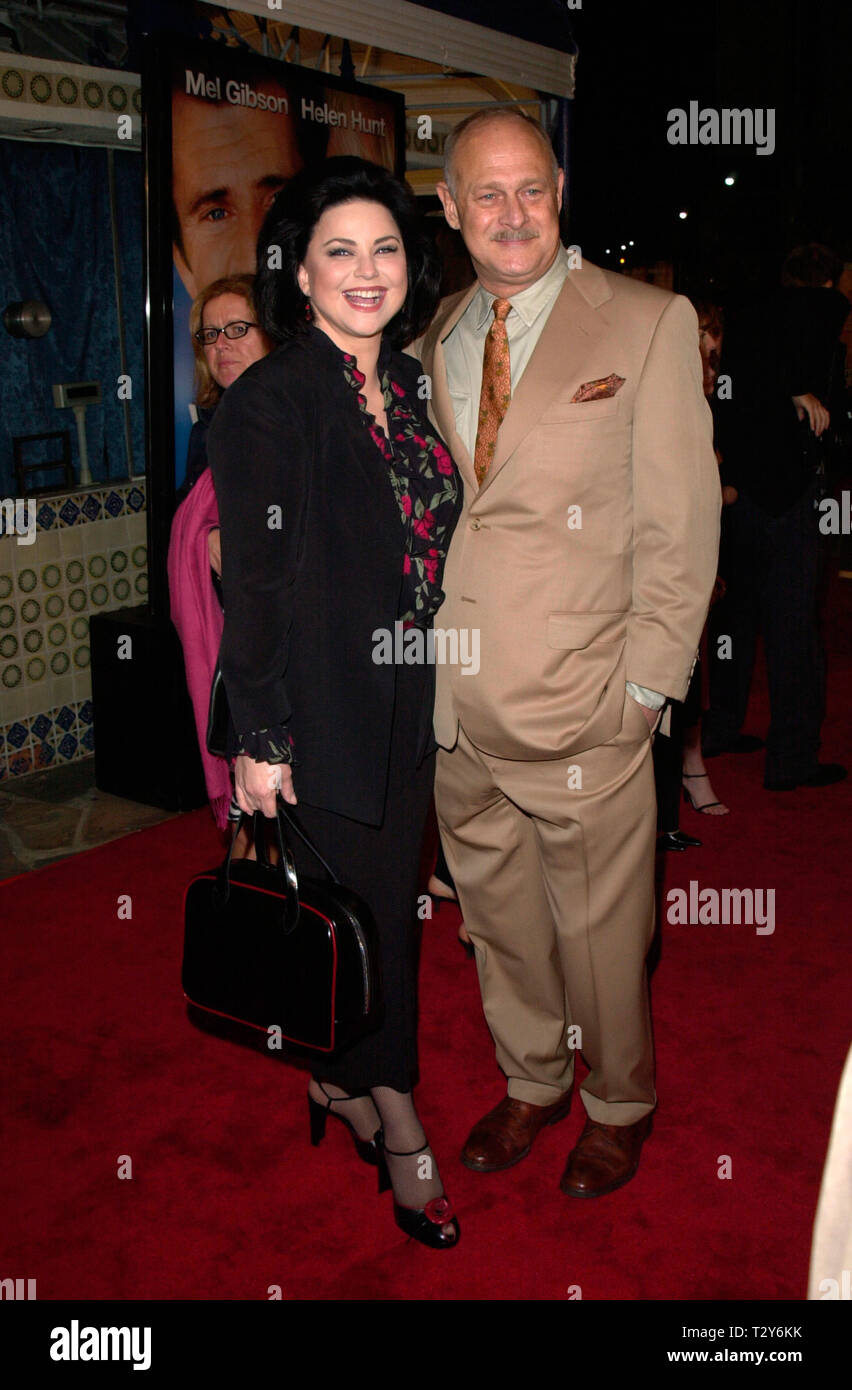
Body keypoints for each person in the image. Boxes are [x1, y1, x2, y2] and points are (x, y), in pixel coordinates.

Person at [419, 109, 720, 1196]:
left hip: (587, 705)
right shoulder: (434, 335)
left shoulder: (646, 322)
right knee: (496, 921)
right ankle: (533, 1078)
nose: (511, 214)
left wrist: (645, 689)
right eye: (484, 194)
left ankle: (618, 1101)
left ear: (559, 192)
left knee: (602, 933)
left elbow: (681, 526)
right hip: (456, 710)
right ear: (449, 209)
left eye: (530, 189)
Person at [208, 157, 463, 1248]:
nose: (368, 272)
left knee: (375, 918)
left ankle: (329, 1082)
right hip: (316, 716)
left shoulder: (404, 385)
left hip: (409, 702)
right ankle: (395, 1122)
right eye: (340, 252)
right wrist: (258, 739)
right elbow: (254, 585)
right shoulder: (272, 400)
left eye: (386, 248)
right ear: (301, 277)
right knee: (363, 926)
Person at [704, 243, 850, 790]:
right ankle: (790, 756)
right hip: (786, 496)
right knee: (793, 631)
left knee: (734, 620)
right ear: (827, 282)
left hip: (739, 492)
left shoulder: (745, 321)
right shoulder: (817, 313)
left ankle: (721, 727)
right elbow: (822, 314)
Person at [168, 276, 273, 846]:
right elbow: (191, 514)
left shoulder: (292, 418)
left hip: (283, 623)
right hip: (225, 617)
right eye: (211, 334)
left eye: (238, 329)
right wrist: (206, 532)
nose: (223, 345)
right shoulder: (210, 425)